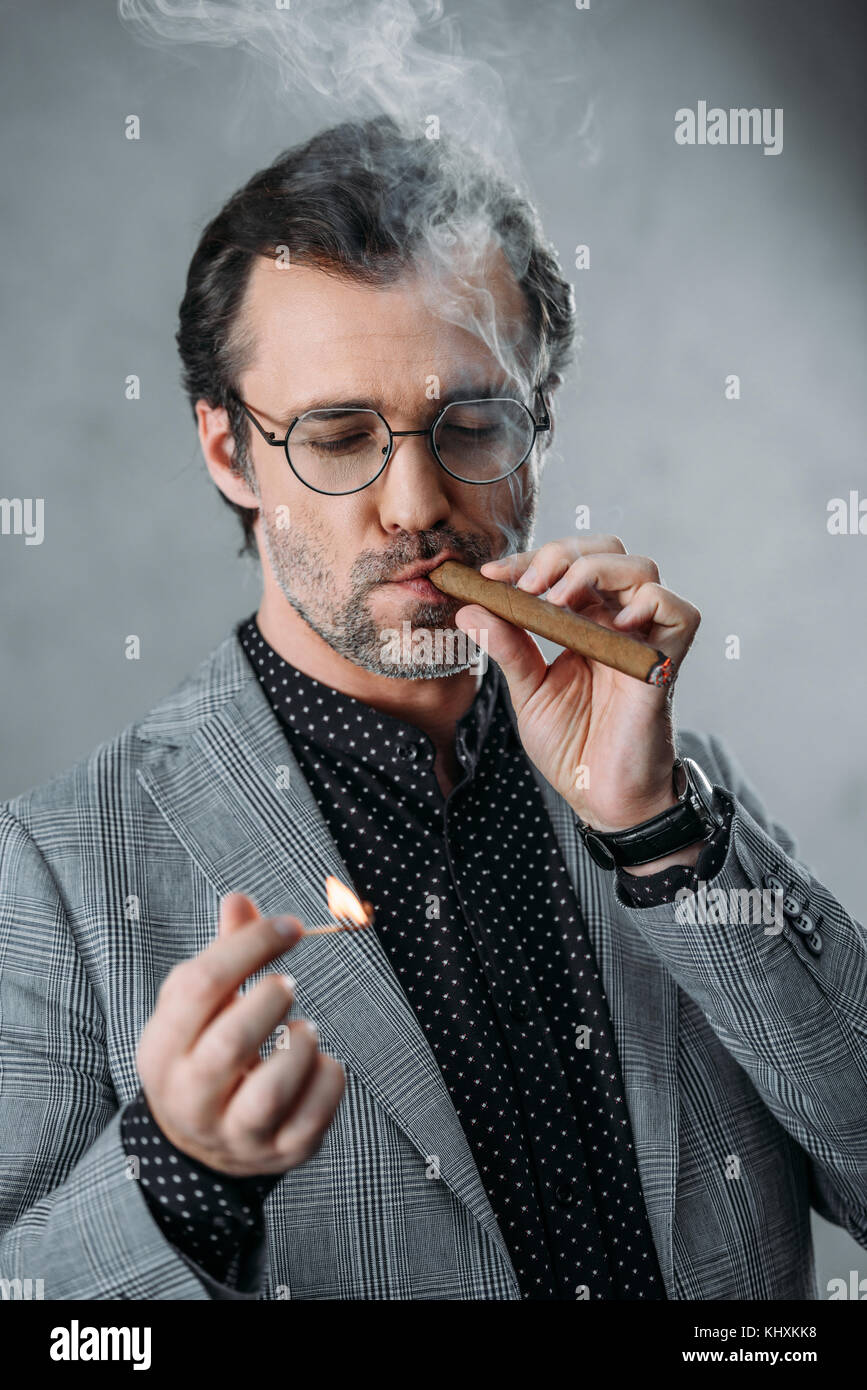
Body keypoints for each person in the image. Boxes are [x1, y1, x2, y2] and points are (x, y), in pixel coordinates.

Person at [1, 117, 864, 1301]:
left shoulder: (678, 793)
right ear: (227, 450)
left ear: (538, 425)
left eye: (471, 424)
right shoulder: (53, 870)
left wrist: (660, 835)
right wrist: (175, 1181)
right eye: (338, 435)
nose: (416, 504)